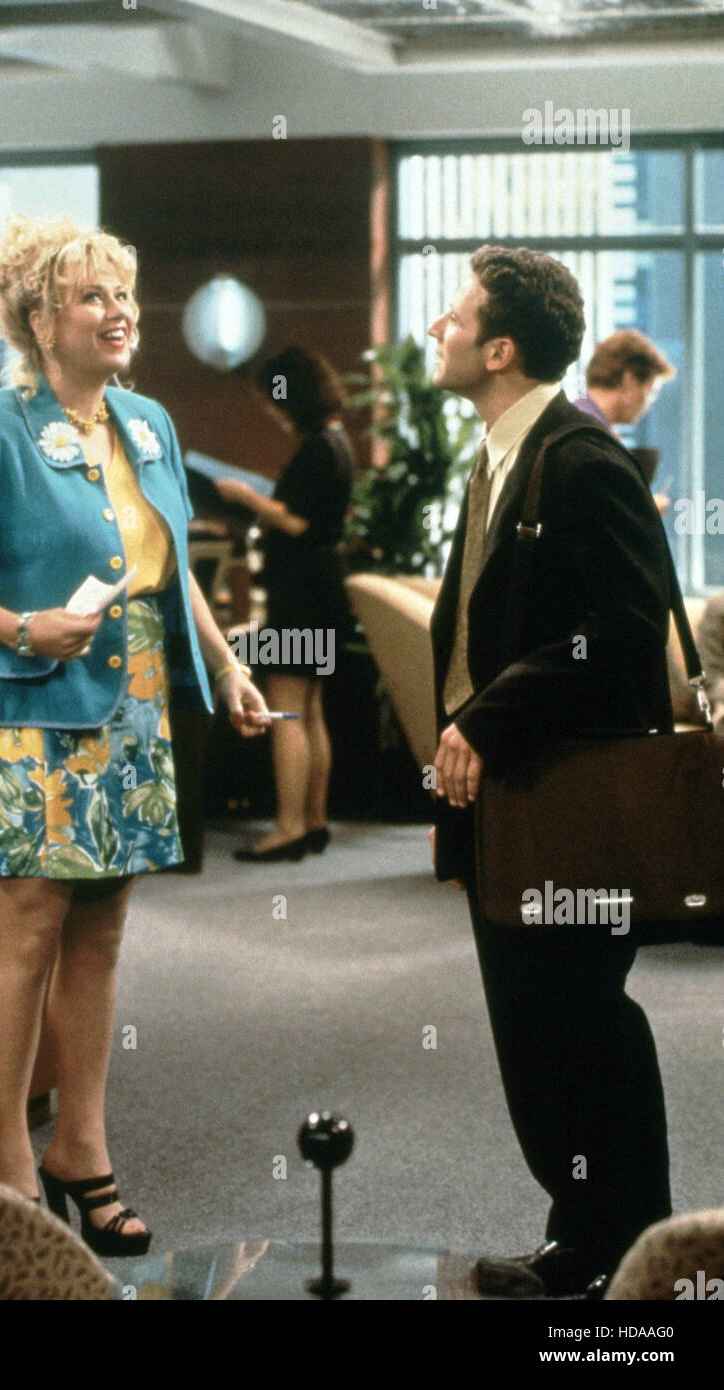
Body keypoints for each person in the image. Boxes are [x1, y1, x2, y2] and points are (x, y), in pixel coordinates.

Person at [0, 214, 270, 1254]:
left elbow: (174, 566)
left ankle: (83, 1145)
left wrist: (231, 665)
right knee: (28, 926)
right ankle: (15, 1172)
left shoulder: (147, 419)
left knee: (103, 931)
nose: (120, 314)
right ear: (38, 319)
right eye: (93, 298)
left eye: (124, 295)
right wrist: (24, 624)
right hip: (27, 704)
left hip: (139, 699)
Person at [427, 245, 675, 1299]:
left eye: (454, 317)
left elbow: (621, 630)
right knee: (541, 1028)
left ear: (501, 347)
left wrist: (490, 715)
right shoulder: (498, 453)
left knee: (577, 1022)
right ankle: (595, 1235)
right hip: (518, 797)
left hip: (569, 793)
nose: (435, 329)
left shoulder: (579, 457)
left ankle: (627, 1250)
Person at [214, 346, 355, 862]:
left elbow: (298, 521)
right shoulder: (335, 440)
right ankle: (314, 821)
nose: (271, 409)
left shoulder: (316, 447)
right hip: (324, 591)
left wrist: (247, 498)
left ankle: (290, 826)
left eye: (274, 397)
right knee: (310, 710)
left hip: (300, 593)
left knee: (288, 709)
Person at [573, 329, 676, 516]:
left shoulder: (581, 420)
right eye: (650, 392)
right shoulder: (592, 435)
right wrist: (645, 512)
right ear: (628, 381)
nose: (648, 405)